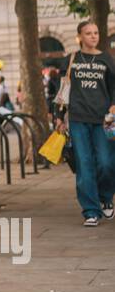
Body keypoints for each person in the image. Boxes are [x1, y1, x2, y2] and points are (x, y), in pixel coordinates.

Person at [55, 20, 115, 227]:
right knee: (84, 164)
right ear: (80, 36)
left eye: (96, 33)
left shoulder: (107, 59)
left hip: (103, 120)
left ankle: (106, 197)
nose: (93, 36)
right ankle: (91, 210)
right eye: (88, 33)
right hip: (78, 119)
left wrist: (114, 105)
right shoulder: (71, 60)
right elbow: (62, 90)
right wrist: (58, 116)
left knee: (107, 163)